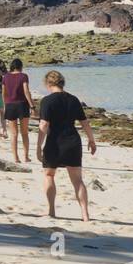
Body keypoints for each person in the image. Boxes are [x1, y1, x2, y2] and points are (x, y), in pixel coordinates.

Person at [36, 70, 97, 221]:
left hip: (54, 142)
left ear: (48, 83)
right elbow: (85, 123)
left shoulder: (47, 101)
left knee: (49, 175)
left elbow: (44, 125)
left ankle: (51, 210)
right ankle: (85, 214)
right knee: (77, 180)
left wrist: (38, 146)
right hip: (72, 142)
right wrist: (91, 140)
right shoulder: (73, 99)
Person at [1, 58, 34, 163]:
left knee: (14, 134)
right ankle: (26, 156)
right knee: (24, 133)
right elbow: (26, 91)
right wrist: (32, 106)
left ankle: (16, 158)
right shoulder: (23, 76)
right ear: (20, 66)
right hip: (22, 105)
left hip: (10, 105)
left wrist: (5, 105)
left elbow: (3, 93)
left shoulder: (5, 77)